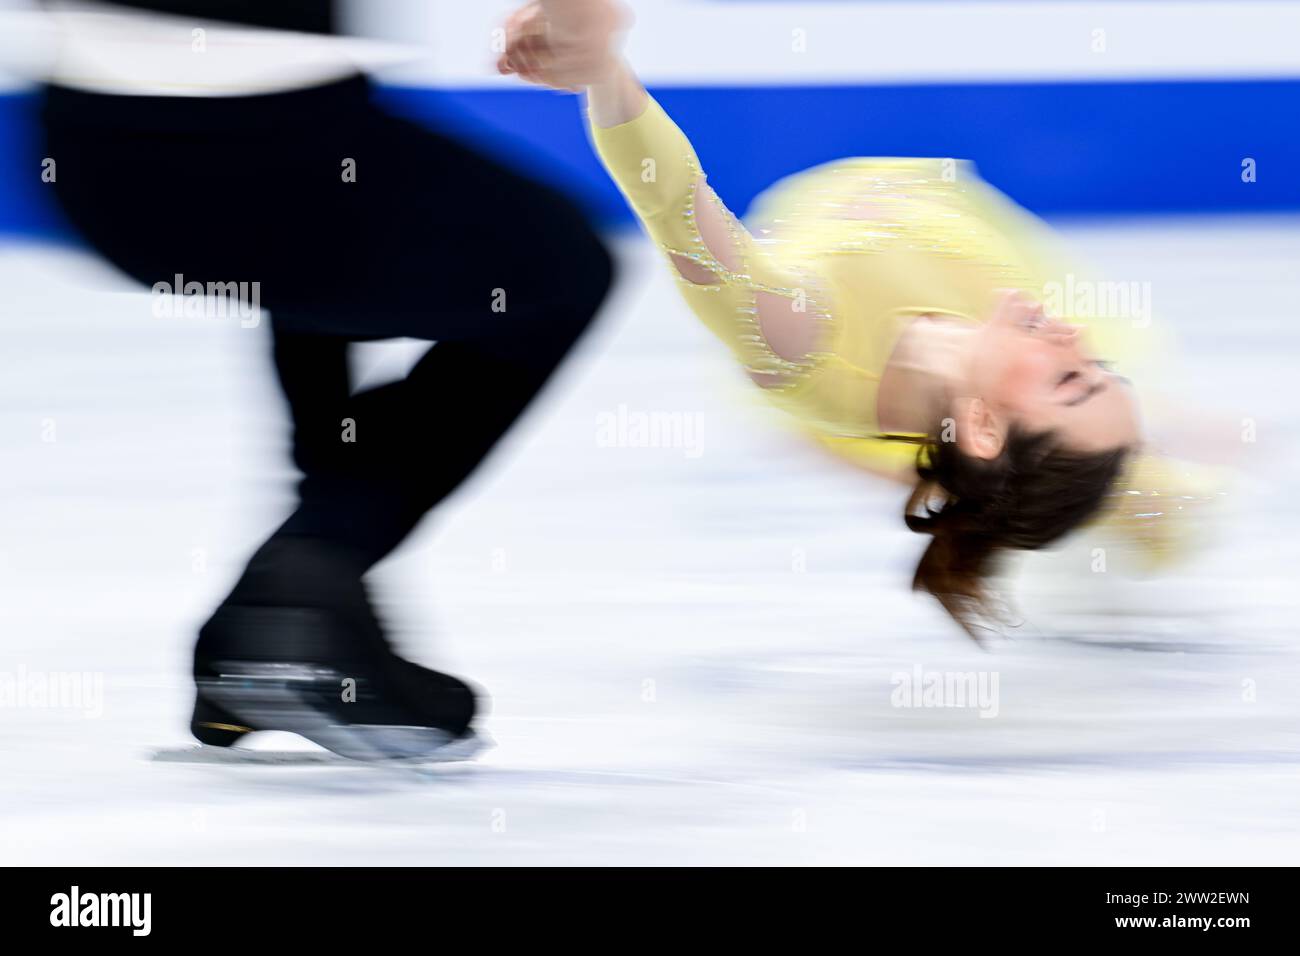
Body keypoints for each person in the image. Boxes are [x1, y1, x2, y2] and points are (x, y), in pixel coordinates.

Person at [38, 0, 621, 758]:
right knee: (559, 273)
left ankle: (287, 617)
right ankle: (301, 587)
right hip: (271, 153)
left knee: (319, 252)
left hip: (93, 168)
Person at [498, 2, 1179, 643]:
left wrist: (604, 69)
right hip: (945, 238)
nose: (1074, 340)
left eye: (1070, 378)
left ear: (981, 425)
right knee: (1131, 469)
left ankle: (1145, 516)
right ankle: (1153, 504)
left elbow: (674, 205)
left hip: (875, 319)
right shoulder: (1016, 319)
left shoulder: (803, 343)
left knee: (1102, 479)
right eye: (1096, 368)